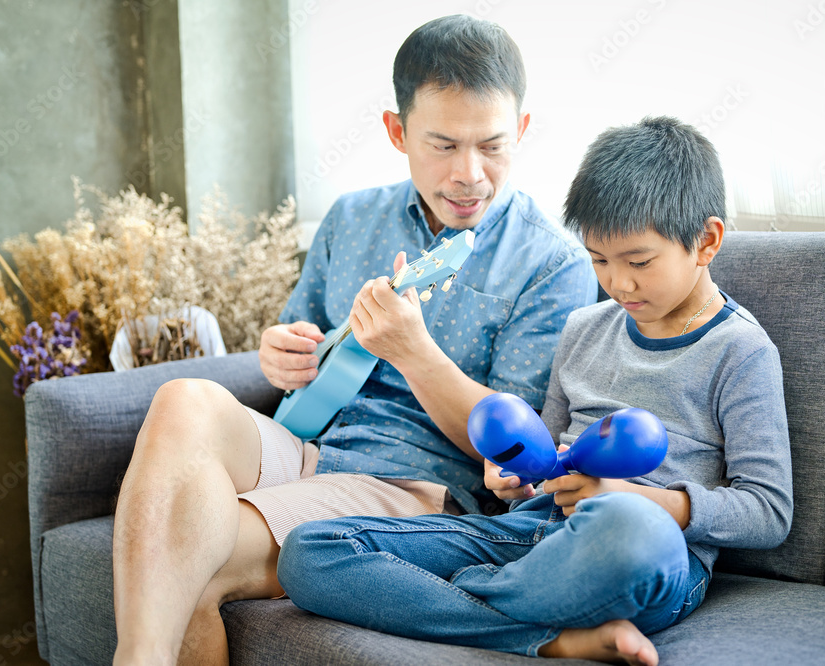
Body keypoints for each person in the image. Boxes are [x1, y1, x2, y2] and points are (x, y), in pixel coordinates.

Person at [111, 14, 597, 666]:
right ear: (397, 132)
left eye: (491, 144)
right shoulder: (353, 216)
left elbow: (512, 458)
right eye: (443, 144)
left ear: (524, 131)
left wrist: (414, 351)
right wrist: (280, 355)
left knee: (191, 559)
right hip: (313, 445)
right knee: (181, 398)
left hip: (416, 487)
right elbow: (302, 357)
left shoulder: (552, 262)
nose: (470, 173)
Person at [277, 117, 794, 665]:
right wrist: (510, 478)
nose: (619, 283)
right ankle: (550, 637)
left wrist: (651, 501)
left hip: (647, 548)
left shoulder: (740, 351)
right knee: (310, 552)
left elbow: (768, 511)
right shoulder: (584, 328)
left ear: (706, 241)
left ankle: (463, 593)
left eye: (639, 262)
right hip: (530, 533)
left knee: (628, 530)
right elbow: (542, 457)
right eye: (599, 260)